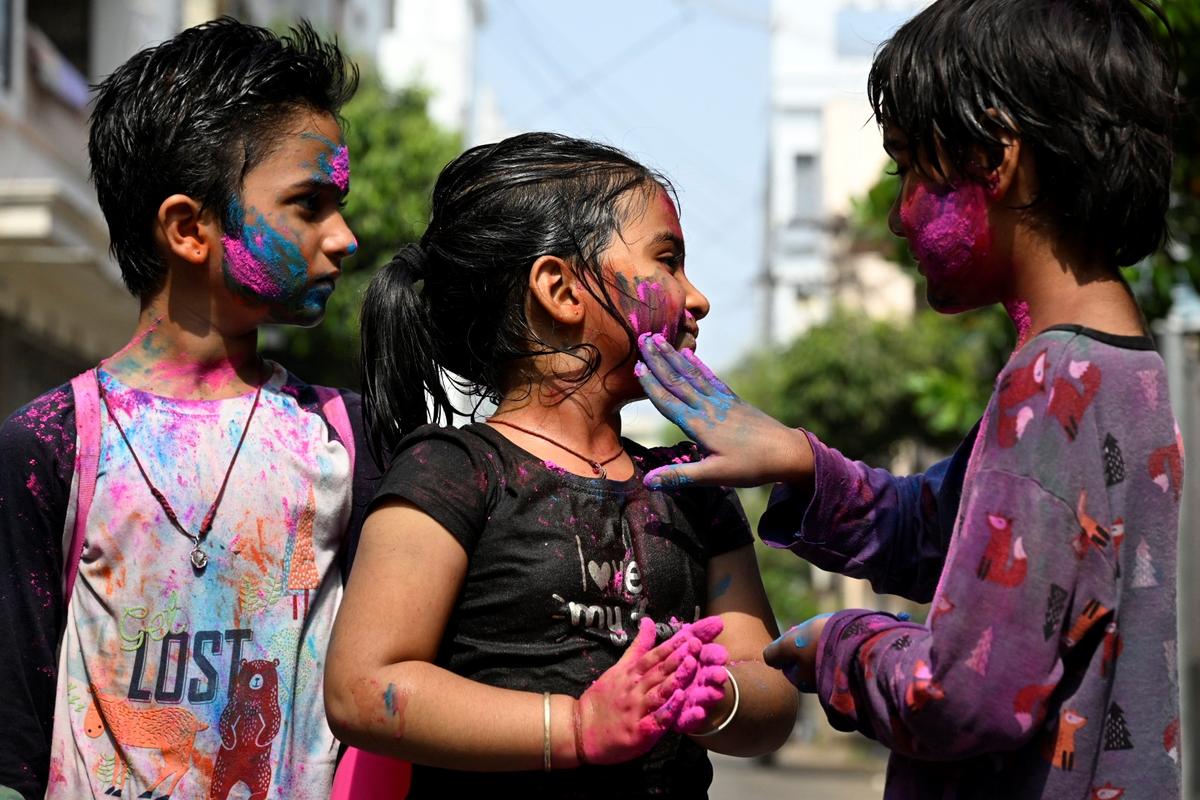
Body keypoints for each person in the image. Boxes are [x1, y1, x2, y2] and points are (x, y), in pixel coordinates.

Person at [631, 1, 1183, 797]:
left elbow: (962, 696)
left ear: (995, 158)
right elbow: (947, 536)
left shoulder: (1052, 383)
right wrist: (801, 465)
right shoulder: (1122, 373)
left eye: (909, 169)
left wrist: (838, 646)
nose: (895, 215)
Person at [324, 132, 798, 798]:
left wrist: (715, 691)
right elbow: (363, 687)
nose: (697, 298)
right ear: (560, 290)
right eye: (668, 261)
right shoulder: (451, 472)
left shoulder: (694, 488)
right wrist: (575, 727)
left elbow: (770, 692)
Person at [0, 18, 375, 800]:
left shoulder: (348, 438)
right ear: (187, 228)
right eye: (309, 204)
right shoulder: (53, 446)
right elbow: (11, 733)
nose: (344, 237)